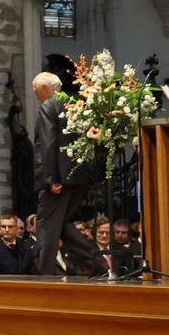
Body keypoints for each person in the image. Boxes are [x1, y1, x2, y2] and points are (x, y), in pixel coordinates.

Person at [32, 71, 101, 276]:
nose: (37, 96)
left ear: (45, 89)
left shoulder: (49, 106)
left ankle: (44, 274)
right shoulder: (75, 105)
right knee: (63, 224)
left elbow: (48, 142)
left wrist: (50, 178)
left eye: (36, 91)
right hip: (77, 176)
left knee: (46, 225)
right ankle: (98, 263)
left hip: (58, 178)